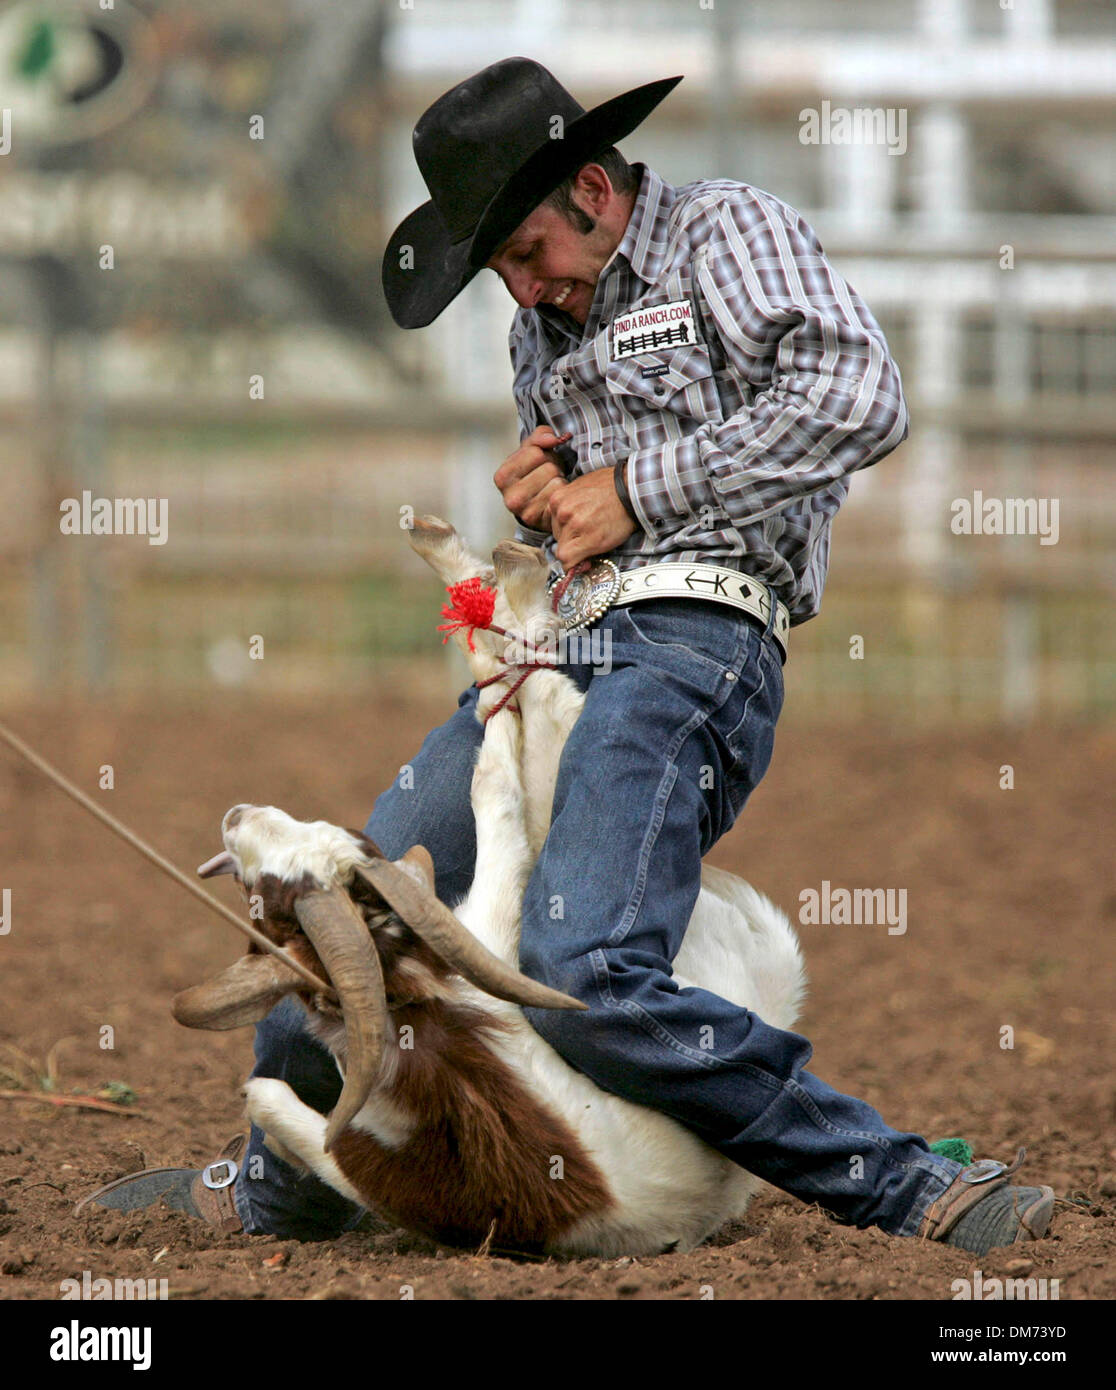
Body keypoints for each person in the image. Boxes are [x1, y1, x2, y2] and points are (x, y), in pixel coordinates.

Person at [80, 58, 1053, 1256]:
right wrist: (547, 504)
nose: (523, 285)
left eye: (528, 253)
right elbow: (583, 508)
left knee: (587, 965)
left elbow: (859, 393)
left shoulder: (726, 233)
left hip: (698, 642)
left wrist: (634, 489)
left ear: (595, 185)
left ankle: (904, 1182)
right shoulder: (543, 322)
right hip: (556, 647)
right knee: (346, 917)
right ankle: (281, 1193)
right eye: (502, 271)